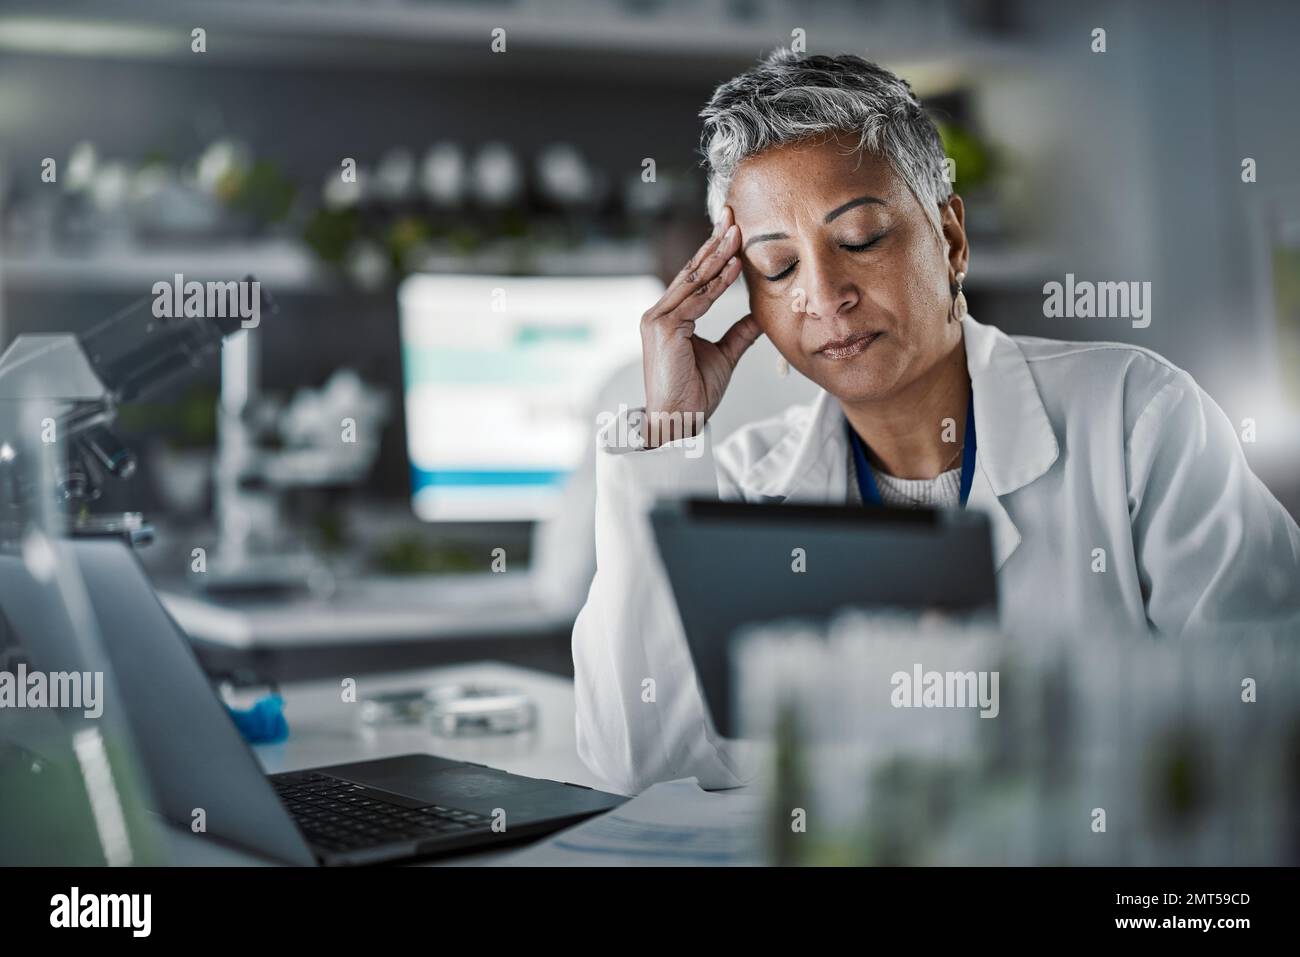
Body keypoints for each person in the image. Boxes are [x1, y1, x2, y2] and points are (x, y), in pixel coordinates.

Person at [571, 49, 1300, 795]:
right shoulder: (753, 483)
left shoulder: (1136, 417)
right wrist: (667, 428)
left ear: (951, 238)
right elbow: (638, 755)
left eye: (859, 240)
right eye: (779, 267)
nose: (824, 296)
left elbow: (1269, 708)